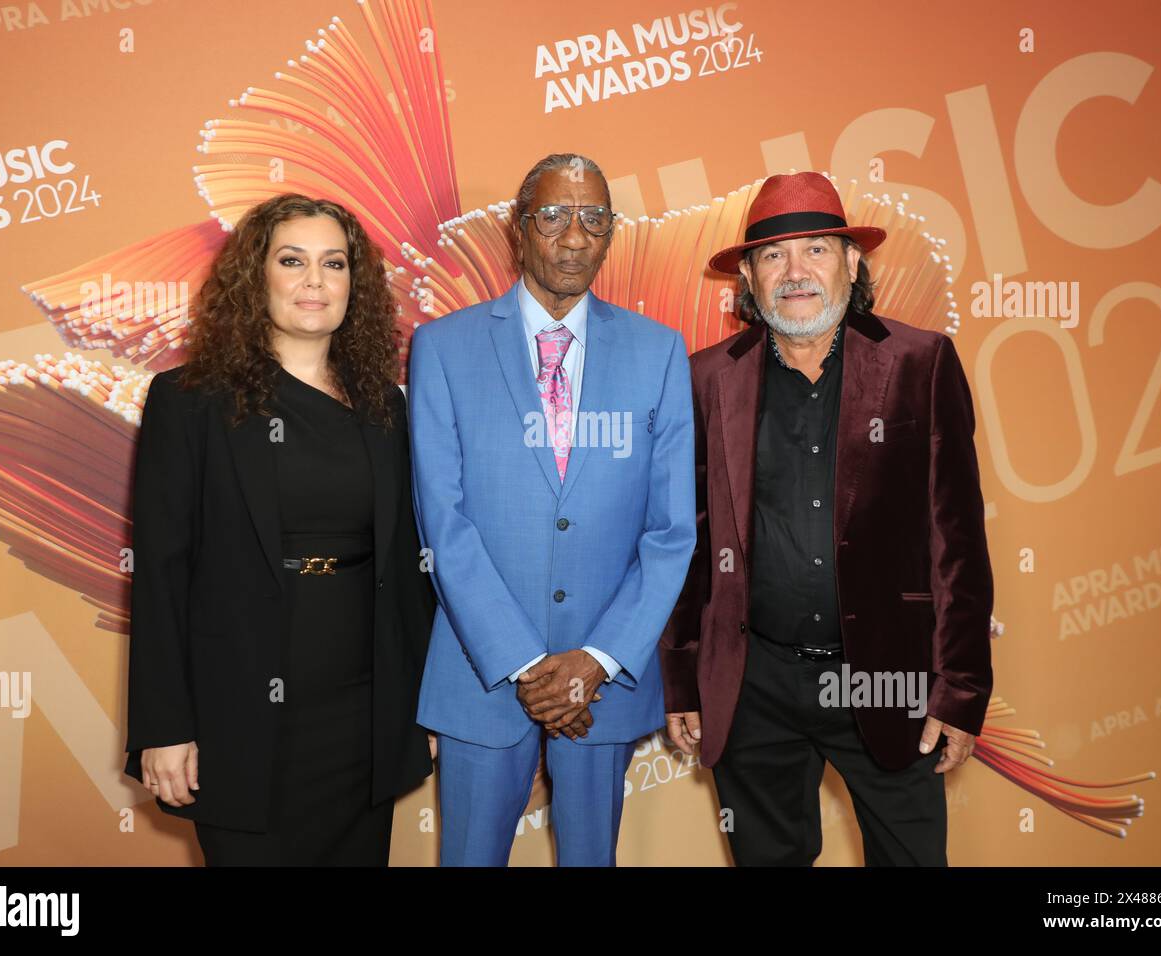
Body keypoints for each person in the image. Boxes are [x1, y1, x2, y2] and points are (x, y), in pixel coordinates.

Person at [659, 171, 994, 866]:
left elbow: (956, 541)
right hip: (754, 682)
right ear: (748, 278)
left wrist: (959, 690)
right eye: (774, 256)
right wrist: (683, 677)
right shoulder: (705, 378)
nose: (795, 272)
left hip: (887, 677)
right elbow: (689, 542)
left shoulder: (920, 362)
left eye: (815, 249)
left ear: (852, 263)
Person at [124, 193, 434, 866]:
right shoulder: (189, 402)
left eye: (335, 263)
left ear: (357, 283)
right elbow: (160, 574)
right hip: (238, 718)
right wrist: (164, 727)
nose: (315, 281)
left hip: (362, 717)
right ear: (254, 276)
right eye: (292, 261)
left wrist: (426, 705)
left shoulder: (385, 404)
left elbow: (411, 564)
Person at [408, 153, 695, 866]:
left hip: (602, 679)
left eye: (594, 219)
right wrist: (528, 665)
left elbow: (670, 533)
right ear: (519, 228)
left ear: (610, 233)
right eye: (555, 215)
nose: (574, 237)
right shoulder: (442, 348)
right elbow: (443, 523)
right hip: (483, 670)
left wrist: (595, 661)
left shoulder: (659, 353)